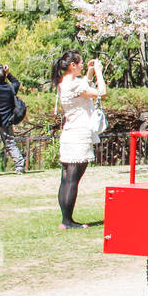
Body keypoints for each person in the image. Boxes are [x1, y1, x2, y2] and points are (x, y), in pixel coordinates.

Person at [52, 50, 107, 230]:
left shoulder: (65, 83)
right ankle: (67, 221)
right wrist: (99, 71)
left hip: (69, 132)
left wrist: (89, 72)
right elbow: (101, 92)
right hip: (79, 134)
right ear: (72, 66)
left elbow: (84, 85)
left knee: (66, 177)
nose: (83, 66)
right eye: (81, 63)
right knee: (73, 179)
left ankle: (65, 218)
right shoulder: (74, 86)